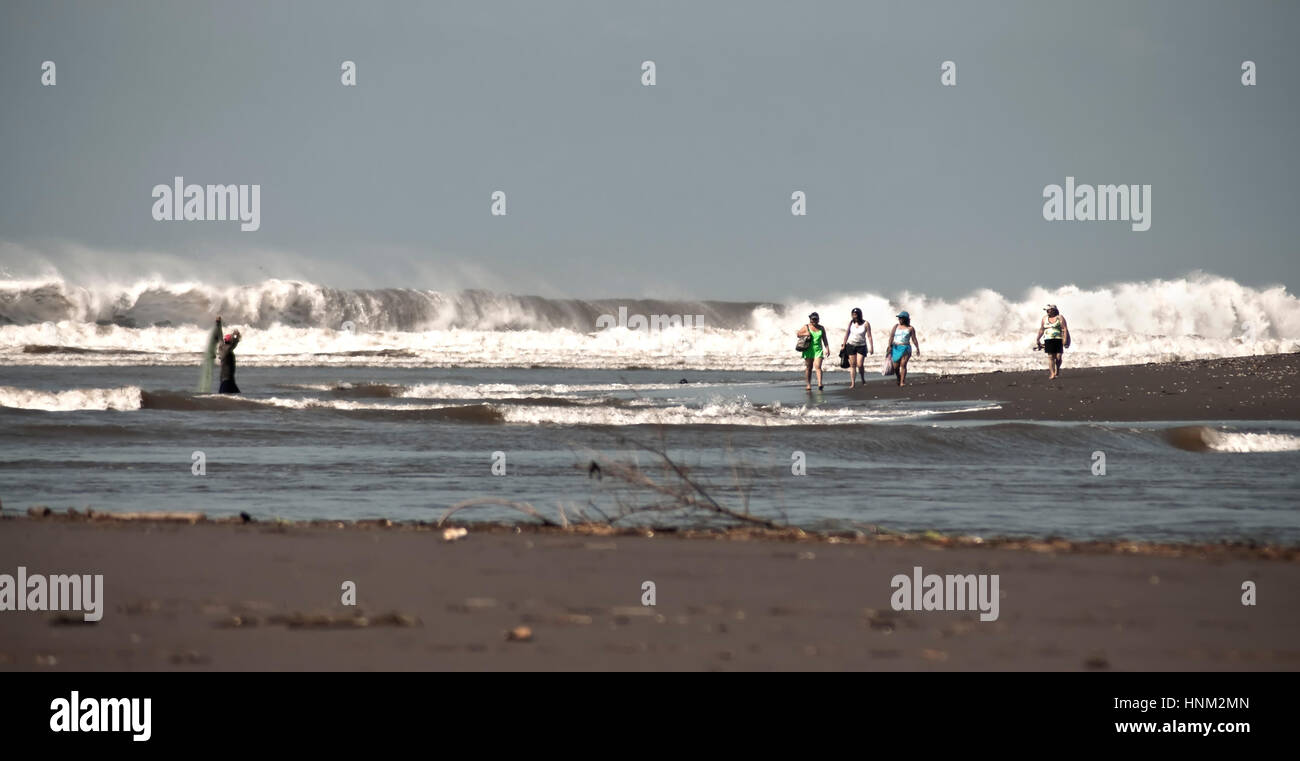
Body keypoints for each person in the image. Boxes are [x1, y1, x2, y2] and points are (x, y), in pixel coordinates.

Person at [1035, 304, 1070, 379]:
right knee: (1050, 356)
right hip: (1048, 339)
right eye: (1046, 310)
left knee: (1058, 357)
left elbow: (1064, 329)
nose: (1047, 311)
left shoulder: (1059, 317)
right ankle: (1052, 373)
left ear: (1053, 310)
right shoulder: (1044, 318)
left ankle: (1057, 369)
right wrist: (1038, 338)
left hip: (1058, 339)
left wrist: (1065, 339)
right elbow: (1042, 329)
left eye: (1048, 310)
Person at [841, 307, 874, 388]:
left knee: (860, 364)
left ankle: (862, 379)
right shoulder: (851, 323)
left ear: (859, 314)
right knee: (852, 365)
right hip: (851, 345)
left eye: (855, 314)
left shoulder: (866, 323)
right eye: (853, 314)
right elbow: (847, 333)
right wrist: (844, 344)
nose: (854, 316)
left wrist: (871, 347)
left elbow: (869, 336)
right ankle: (853, 383)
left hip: (861, 346)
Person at [797, 312, 830, 390]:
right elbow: (798, 334)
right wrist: (806, 333)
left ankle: (819, 384)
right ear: (810, 319)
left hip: (818, 349)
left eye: (816, 319)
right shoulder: (806, 327)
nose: (814, 321)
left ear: (818, 319)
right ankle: (808, 385)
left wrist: (827, 348)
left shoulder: (821, 328)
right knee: (809, 367)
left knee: (818, 366)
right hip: (808, 349)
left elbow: (824, 339)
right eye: (813, 319)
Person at [886, 311, 920, 387]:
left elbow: (914, 339)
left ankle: (902, 382)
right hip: (896, 347)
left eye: (901, 318)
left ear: (905, 319)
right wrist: (889, 346)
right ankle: (898, 377)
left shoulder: (910, 328)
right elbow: (891, 337)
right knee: (895, 367)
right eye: (899, 318)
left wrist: (917, 348)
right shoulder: (896, 326)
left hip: (905, 348)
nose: (899, 319)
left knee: (903, 364)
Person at [211, 316, 242, 394]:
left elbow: (219, 335)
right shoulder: (228, 349)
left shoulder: (221, 346)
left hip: (227, 379)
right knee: (224, 397)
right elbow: (235, 341)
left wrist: (218, 323)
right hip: (227, 380)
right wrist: (236, 334)